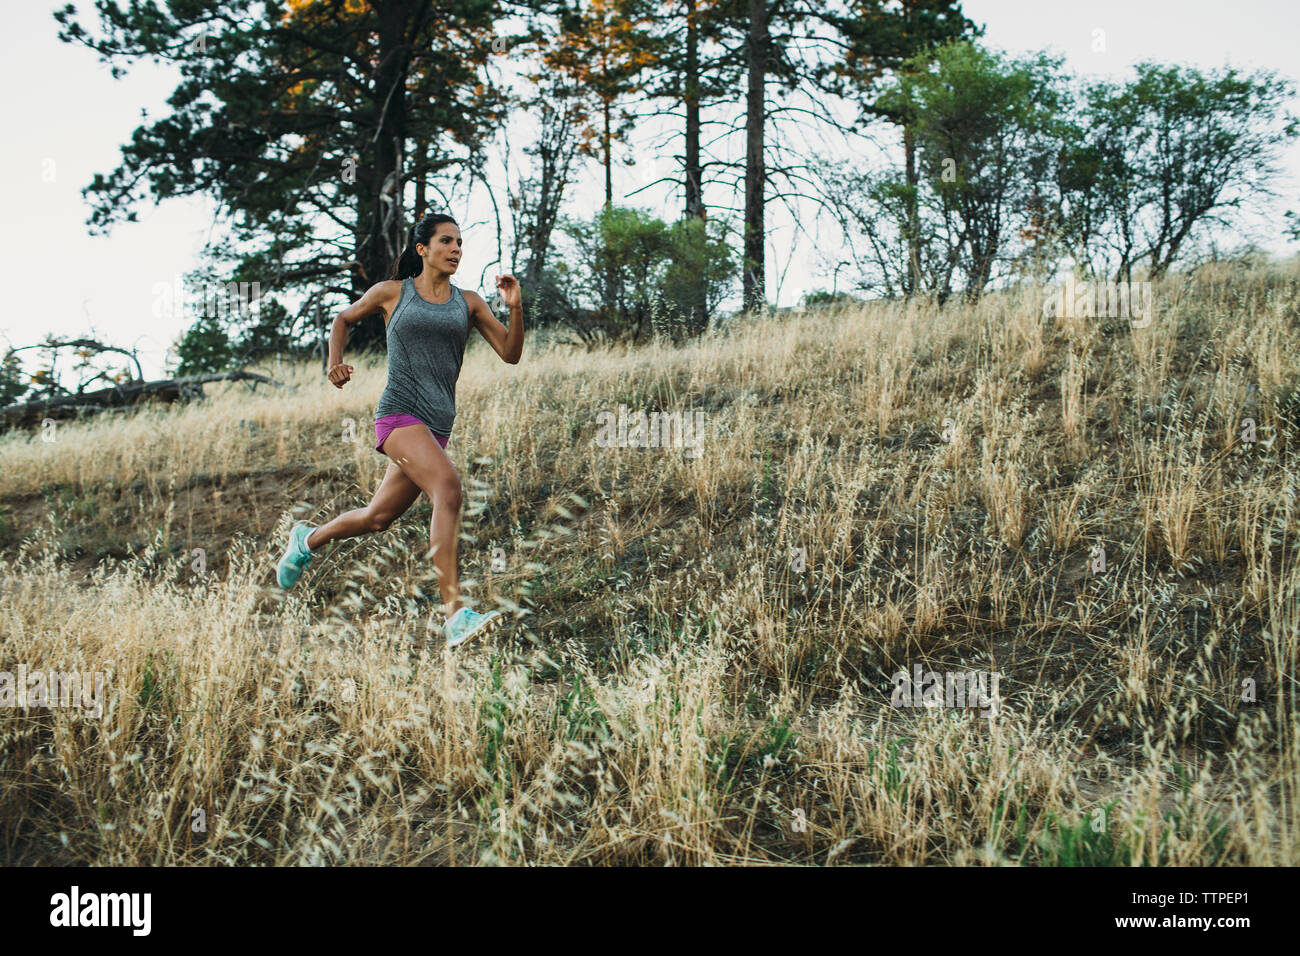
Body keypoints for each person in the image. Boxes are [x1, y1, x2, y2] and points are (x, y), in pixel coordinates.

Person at [276, 212, 524, 648]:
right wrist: (334, 361)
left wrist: (516, 308)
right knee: (447, 488)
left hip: (437, 425)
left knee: (379, 518)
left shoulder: (468, 302)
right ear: (422, 249)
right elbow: (343, 320)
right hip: (399, 415)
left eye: (460, 243)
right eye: (447, 241)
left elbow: (510, 352)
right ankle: (455, 615)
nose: (456, 250)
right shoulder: (394, 293)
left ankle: (306, 540)